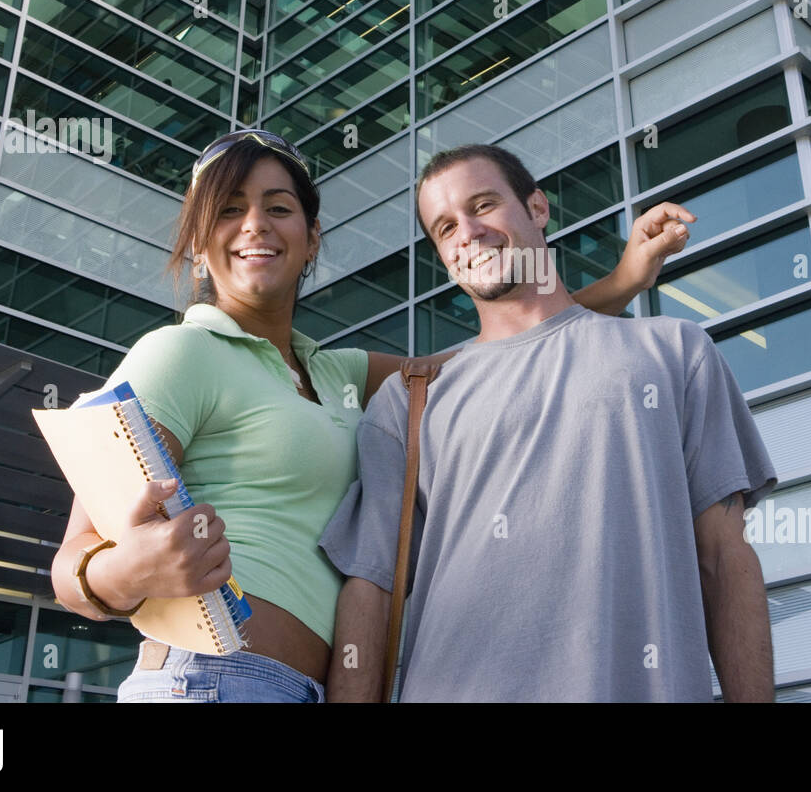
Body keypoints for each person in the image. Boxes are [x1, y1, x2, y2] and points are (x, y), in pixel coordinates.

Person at [48, 129, 695, 702]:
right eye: (229, 210)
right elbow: (71, 565)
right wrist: (128, 570)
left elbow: (498, 354)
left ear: (310, 242)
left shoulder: (340, 374)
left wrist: (623, 281)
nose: (255, 226)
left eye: (278, 208)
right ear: (198, 243)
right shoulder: (179, 353)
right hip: (212, 680)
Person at [320, 143, 778, 702]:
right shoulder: (407, 401)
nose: (467, 232)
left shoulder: (675, 353)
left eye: (483, 205)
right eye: (445, 228)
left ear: (537, 208)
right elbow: (371, 589)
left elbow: (725, 559)